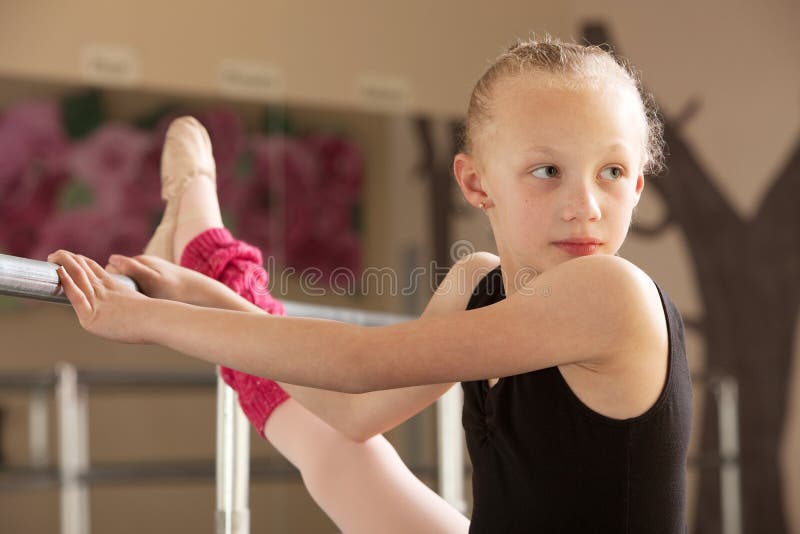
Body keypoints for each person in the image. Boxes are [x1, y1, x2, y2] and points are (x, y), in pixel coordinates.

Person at [48, 34, 692, 533]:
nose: (585, 205)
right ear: (476, 184)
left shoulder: (613, 297)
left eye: (611, 171)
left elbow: (356, 364)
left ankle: (210, 248)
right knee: (336, 451)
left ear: (638, 184)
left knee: (333, 447)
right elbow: (353, 411)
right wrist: (208, 296)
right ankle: (208, 255)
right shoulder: (477, 283)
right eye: (548, 170)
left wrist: (148, 320)